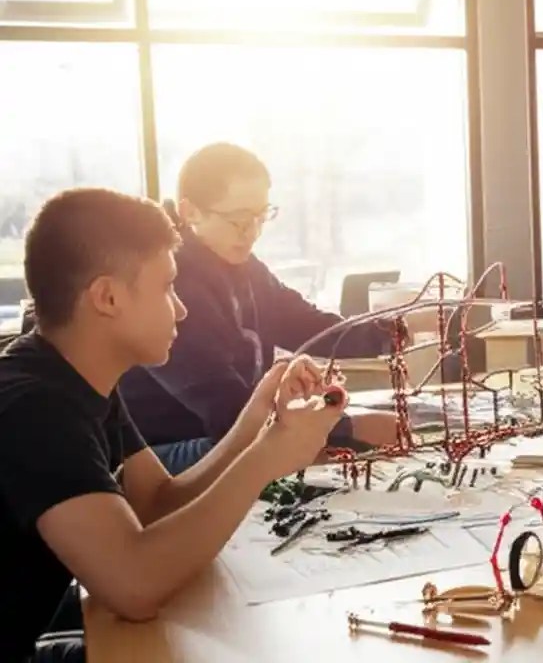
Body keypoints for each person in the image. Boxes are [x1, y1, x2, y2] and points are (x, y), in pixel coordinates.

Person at [0, 188, 347, 663]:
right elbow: (135, 586)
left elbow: (156, 502)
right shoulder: (34, 406)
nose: (181, 308)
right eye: (167, 287)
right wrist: (268, 458)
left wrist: (256, 424)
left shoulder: (77, 376)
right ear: (107, 297)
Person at [118, 143, 403, 475]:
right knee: (310, 454)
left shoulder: (242, 266)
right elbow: (229, 415)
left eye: (260, 216)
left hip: (231, 429)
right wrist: (348, 430)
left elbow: (307, 324)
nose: (252, 233)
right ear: (190, 211)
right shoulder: (175, 283)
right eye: (238, 219)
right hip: (171, 450)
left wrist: (399, 329)